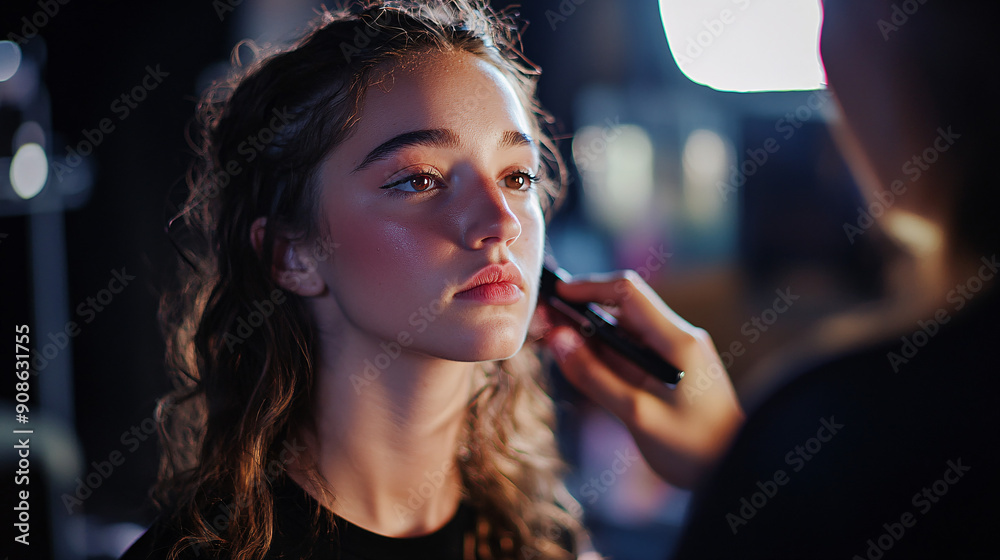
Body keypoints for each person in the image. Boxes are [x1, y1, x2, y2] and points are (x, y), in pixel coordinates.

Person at [120, 2, 595, 559]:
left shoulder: (543, 536)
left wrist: (712, 460)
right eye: (420, 179)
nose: (502, 223)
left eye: (517, 177)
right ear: (289, 253)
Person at [543, 0, 1000, 557]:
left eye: (834, 12)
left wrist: (762, 469)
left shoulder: (859, 420)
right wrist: (744, 463)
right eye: (419, 181)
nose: (823, 62)